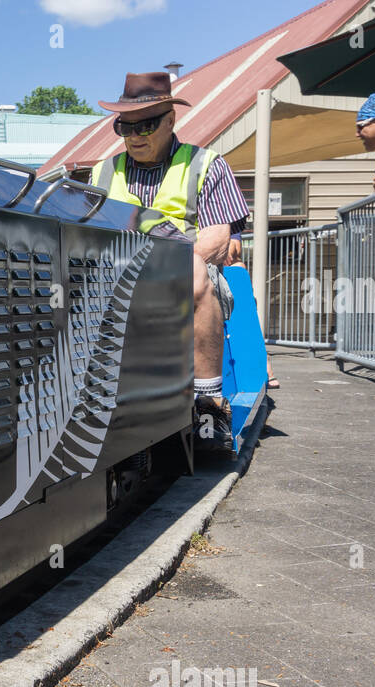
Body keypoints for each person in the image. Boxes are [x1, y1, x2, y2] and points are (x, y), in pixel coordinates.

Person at [92, 72, 250, 451]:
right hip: (117, 272)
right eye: (124, 127)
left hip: (188, 272)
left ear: (170, 119)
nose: (134, 136)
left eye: (145, 125)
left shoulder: (207, 164)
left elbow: (216, 239)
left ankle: (209, 404)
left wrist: (160, 273)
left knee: (194, 272)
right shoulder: (101, 171)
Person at [224, 233, 279, 390]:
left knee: (238, 269)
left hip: (215, 262)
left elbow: (234, 246)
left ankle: (260, 358)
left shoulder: (219, 211)